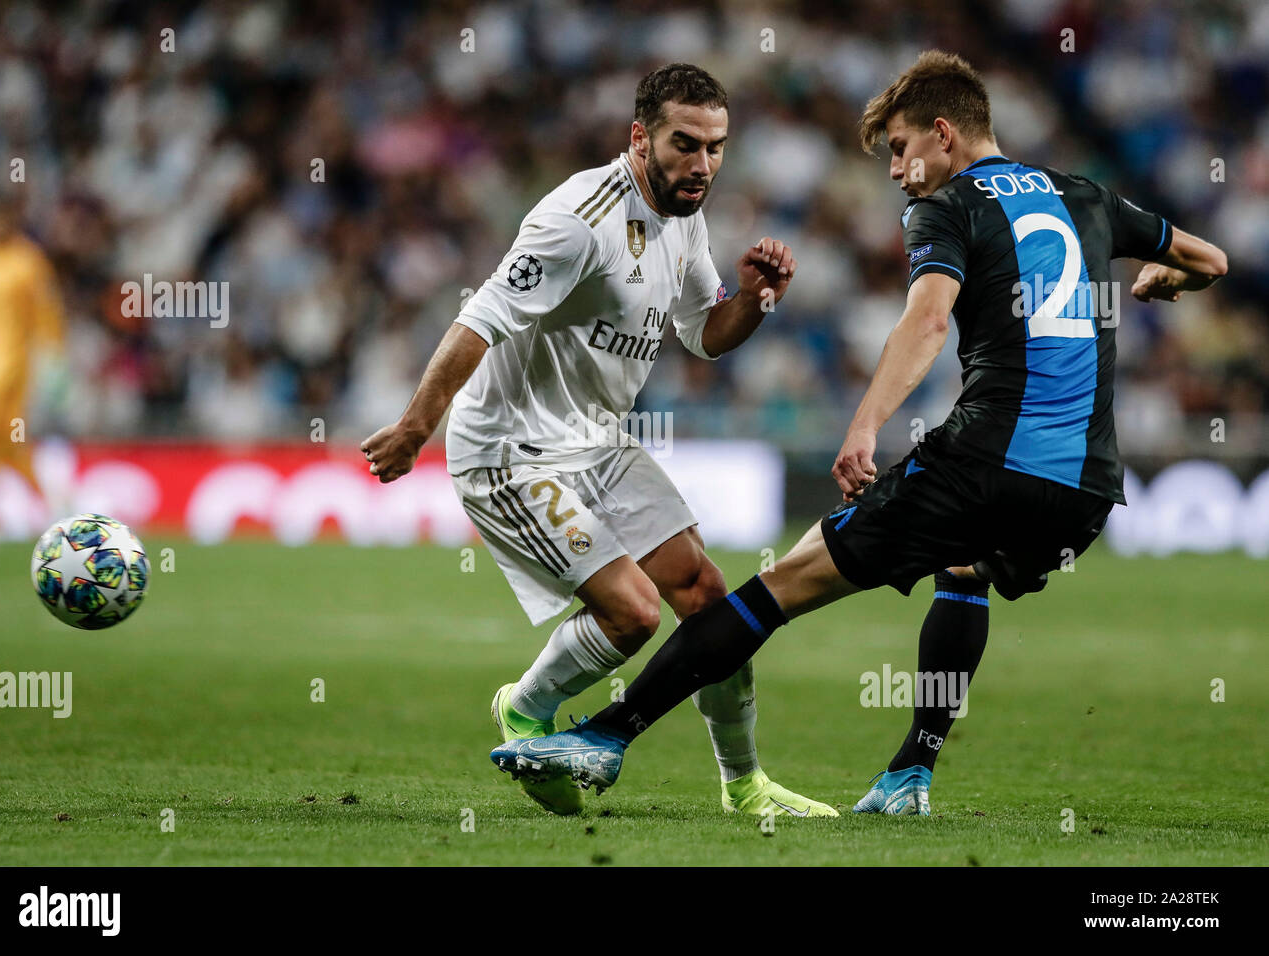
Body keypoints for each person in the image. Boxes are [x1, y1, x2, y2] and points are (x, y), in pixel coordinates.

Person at [490, 51, 1228, 814]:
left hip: (983, 463)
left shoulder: (947, 206)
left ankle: (607, 735)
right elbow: (1211, 257)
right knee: (966, 570)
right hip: (1086, 491)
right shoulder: (1085, 196)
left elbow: (928, 320)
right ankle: (910, 775)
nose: (898, 171)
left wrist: (865, 426)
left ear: (944, 134)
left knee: (777, 586)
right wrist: (1169, 277)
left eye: (903, 149)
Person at [362, 64, 835, 818]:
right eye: (686, 144)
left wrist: (752, 301)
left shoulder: (687, 214)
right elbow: (481, 315)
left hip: (599, 442)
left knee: (710, 600)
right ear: (641, 136)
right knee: (634, 614)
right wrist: (418, 426)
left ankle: (744, 786)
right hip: (509, 450)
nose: (703, 164)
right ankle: (524, 709)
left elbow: (704, 335)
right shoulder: (577, 218)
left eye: (717, 147)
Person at [0, 198, 65, 549]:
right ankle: (52, 502)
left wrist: (54, 352)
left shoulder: (27, 260)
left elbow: (46, 308)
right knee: (7, 441)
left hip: (15, 361)